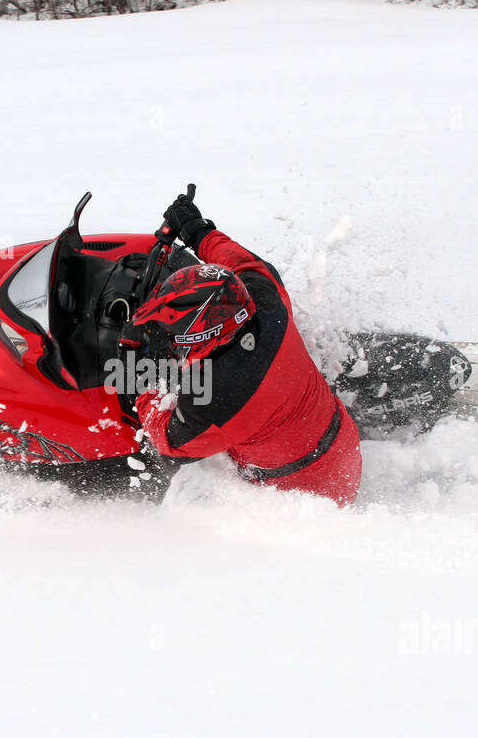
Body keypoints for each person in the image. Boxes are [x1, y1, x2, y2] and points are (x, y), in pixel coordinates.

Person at [122, 188, 363, 507]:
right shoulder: (262, 302)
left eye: (176, 331)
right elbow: (239, 261)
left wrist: (140, 378)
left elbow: (168, 439)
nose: (171, 336)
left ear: (207, 333)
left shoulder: (221, 395)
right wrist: (197, 230)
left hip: (311, 493)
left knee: (183, 498)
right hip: (338, 439)